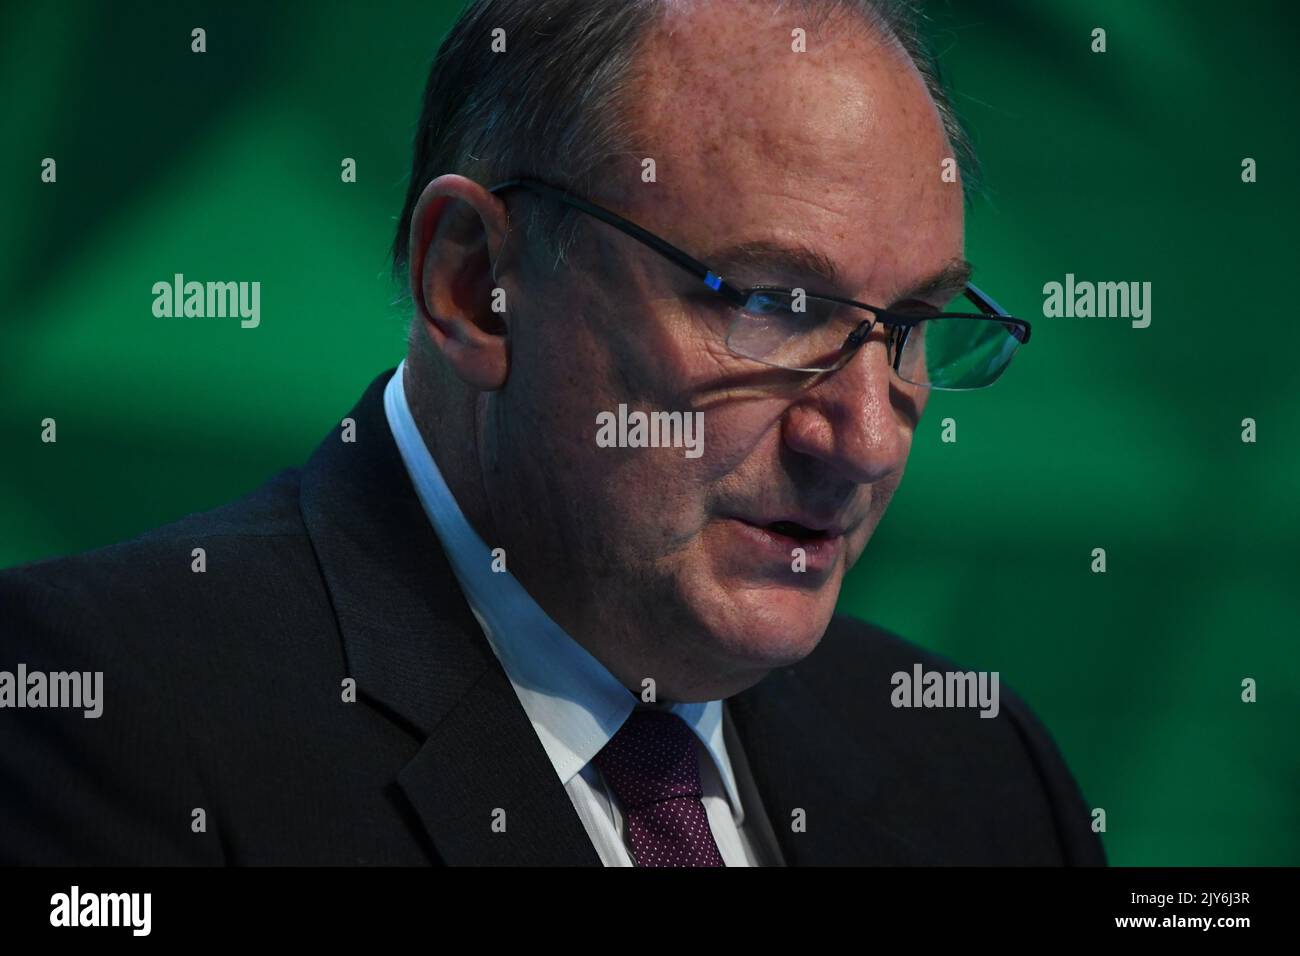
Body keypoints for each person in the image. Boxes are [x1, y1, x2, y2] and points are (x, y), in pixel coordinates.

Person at [0, 0, 1103, 866]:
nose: (863, 438)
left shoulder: (982, 772)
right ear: (478, 284)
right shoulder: (94, 717)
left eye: (909, 326)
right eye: (770, 302)